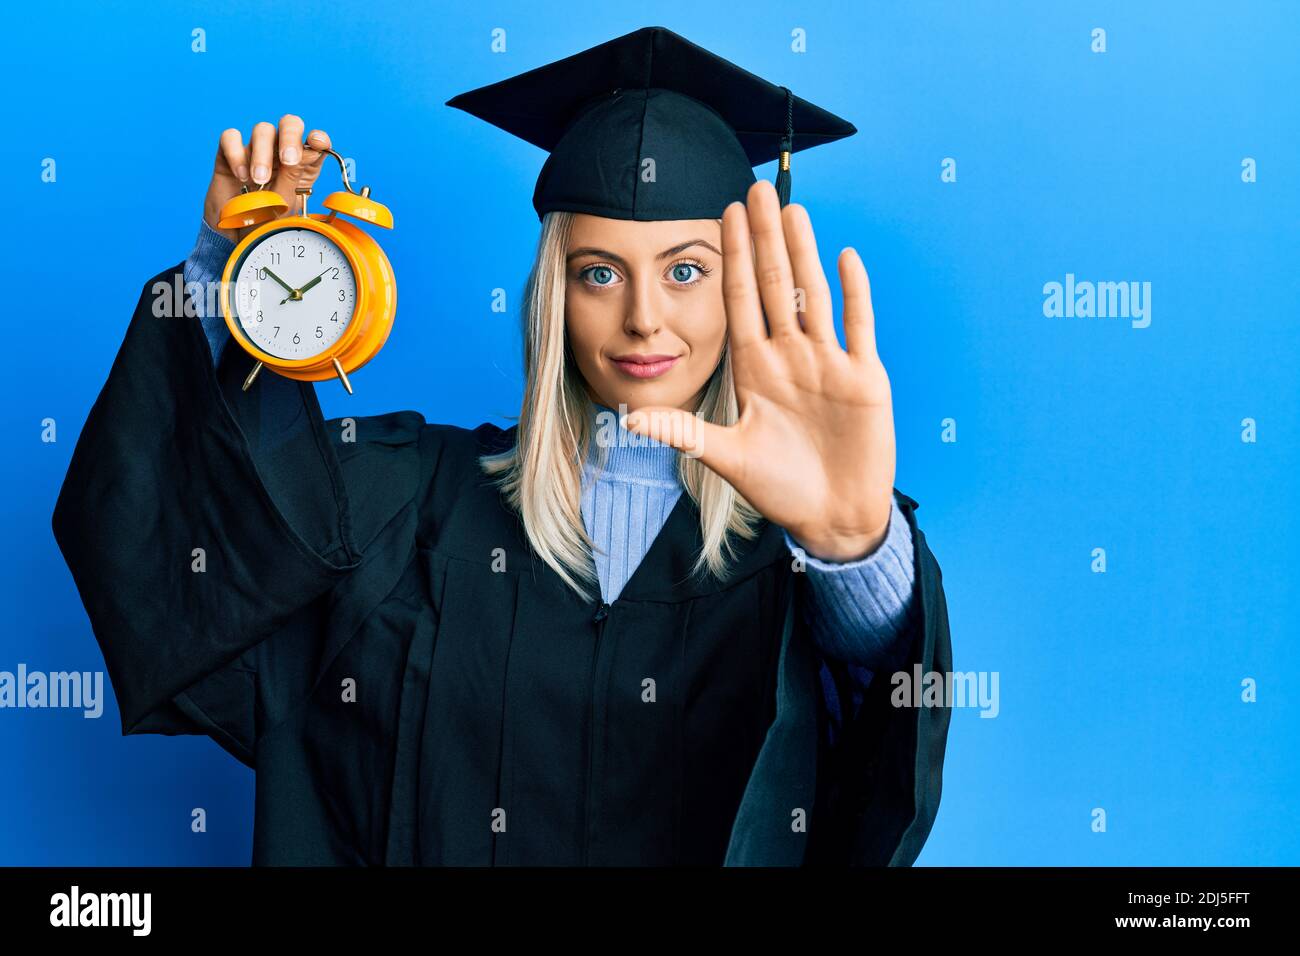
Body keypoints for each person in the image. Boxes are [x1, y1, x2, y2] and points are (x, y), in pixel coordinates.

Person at [51, 26, 952, 866]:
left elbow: (872, 754)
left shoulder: (787, 545)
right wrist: (232, 279)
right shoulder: (409, 499)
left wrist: (852, 555)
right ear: (553, 292)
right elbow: (189, 583)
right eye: (599, 273)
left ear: (743, 286)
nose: (645, 318)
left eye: (687, 270)